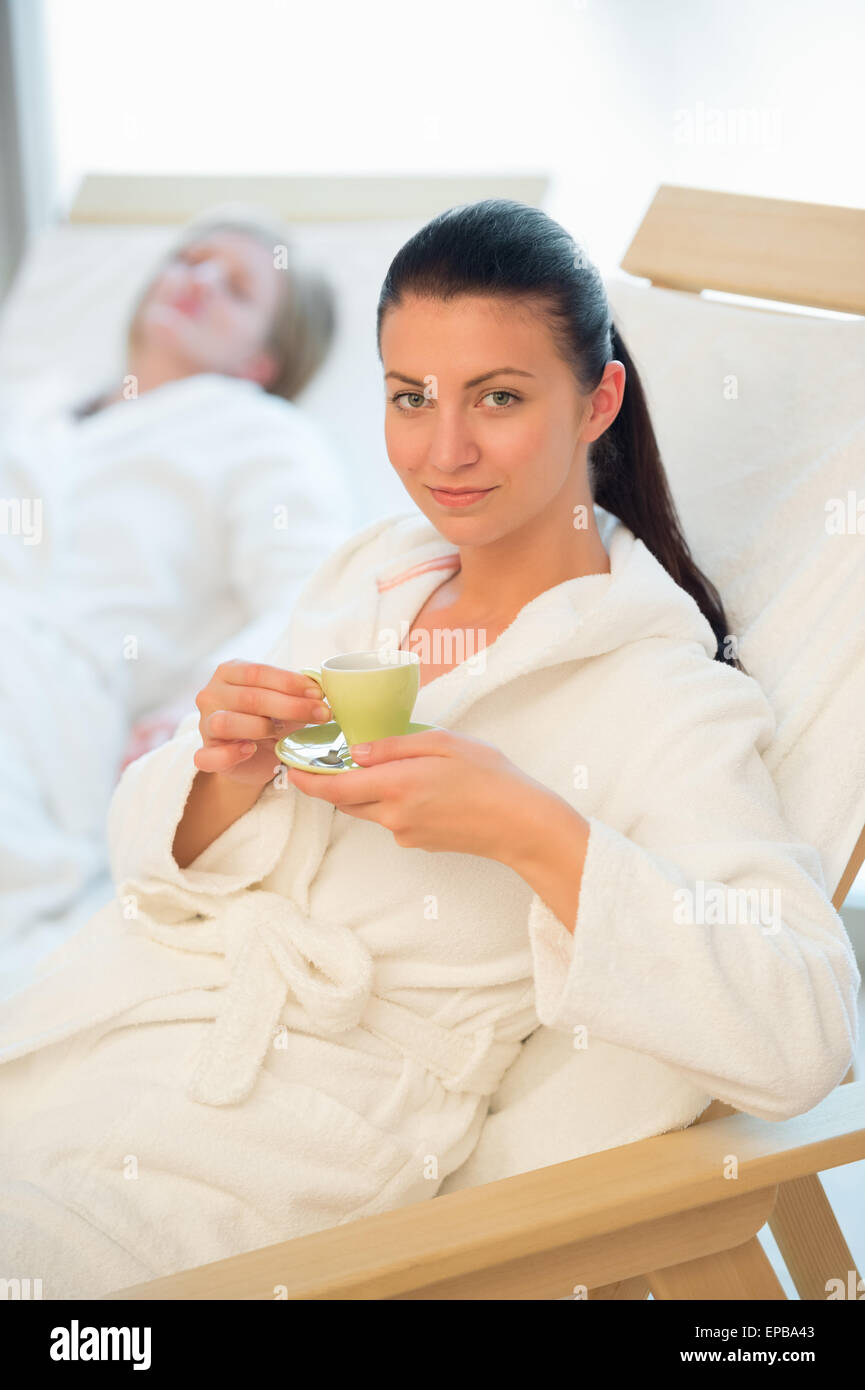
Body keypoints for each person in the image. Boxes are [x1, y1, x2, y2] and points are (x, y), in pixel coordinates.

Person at [0, 200, 858, 1299]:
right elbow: (150, 866)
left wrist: (530, 828)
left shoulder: (660, 695)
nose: (442, 452)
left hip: (267, 1149)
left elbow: (803, 1033)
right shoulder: (374, 570)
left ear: (597, 401)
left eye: (497, 398)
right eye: (411, 399)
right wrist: (217, 774)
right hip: (102, 1037)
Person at [0, 210, 349, 969]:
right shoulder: (33, 412)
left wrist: (195, 710)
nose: (199, 281)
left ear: (265, 358)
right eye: (189, 260)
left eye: (237, 288)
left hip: (62, 711)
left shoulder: (261, 434)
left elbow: (312, 592)